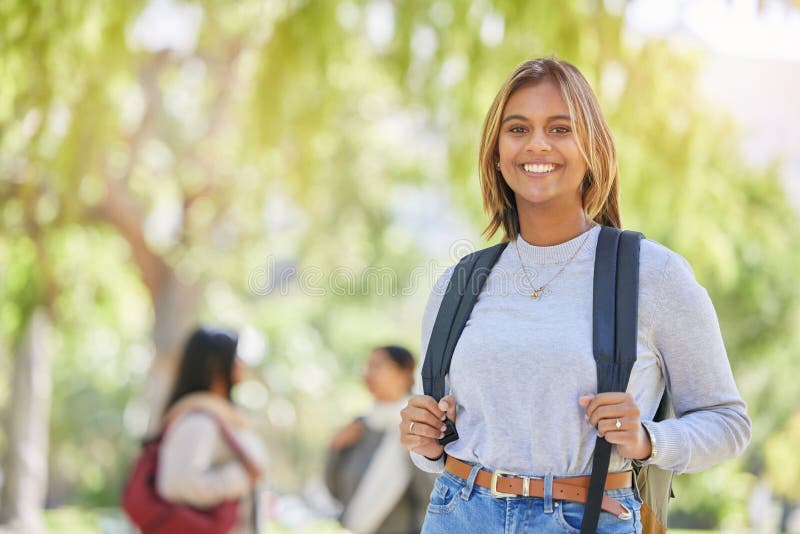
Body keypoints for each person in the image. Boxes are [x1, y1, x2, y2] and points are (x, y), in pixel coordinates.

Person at [399, 57, 752, 533]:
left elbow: (728, 423)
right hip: (459, 513)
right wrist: (426, 442)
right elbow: (438, 450)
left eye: (560, 128)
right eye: (518, 129)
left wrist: (647, 440)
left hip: (587, 517)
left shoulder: (653, 274)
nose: (537, 144)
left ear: (593, 148)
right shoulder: (458, 285)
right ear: (497, 153)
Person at [157, 327, 267, 534]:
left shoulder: (222, 417)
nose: (242, 364)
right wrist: (242, 476)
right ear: (215, 366)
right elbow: (178, 484)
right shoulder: (198, 421)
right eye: (236, 357)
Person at [325, 346, 434, 533]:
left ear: (406, 372)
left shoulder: (422, 425)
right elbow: (335, 492)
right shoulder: (358, 428)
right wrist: (334, 450)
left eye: (378, 366)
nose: (368, 374)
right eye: (367, 366)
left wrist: (413, 454)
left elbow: (431, 496)